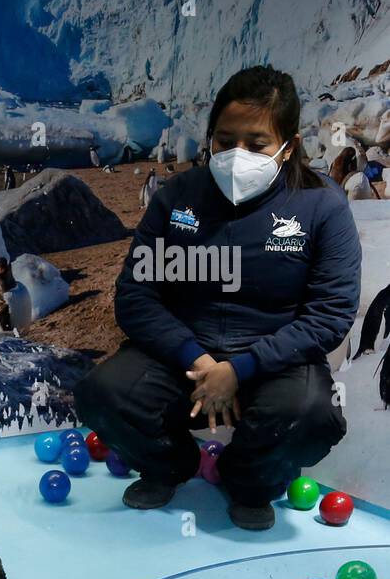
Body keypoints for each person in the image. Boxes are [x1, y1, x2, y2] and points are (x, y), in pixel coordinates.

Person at [74, 65, 361, 531]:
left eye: (256, 143)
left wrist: (240, 368)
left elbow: (330, 315)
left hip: (275, 359)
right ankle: (171, 466)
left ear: (287, 146)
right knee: (103, 393)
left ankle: (245, 480)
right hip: (184, 353)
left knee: (311, 416)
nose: (237, 154)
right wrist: (198, 359)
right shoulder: (178, 197)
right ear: (210, 138)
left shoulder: (322, 205)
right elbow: (136, 294)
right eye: (225, 141)